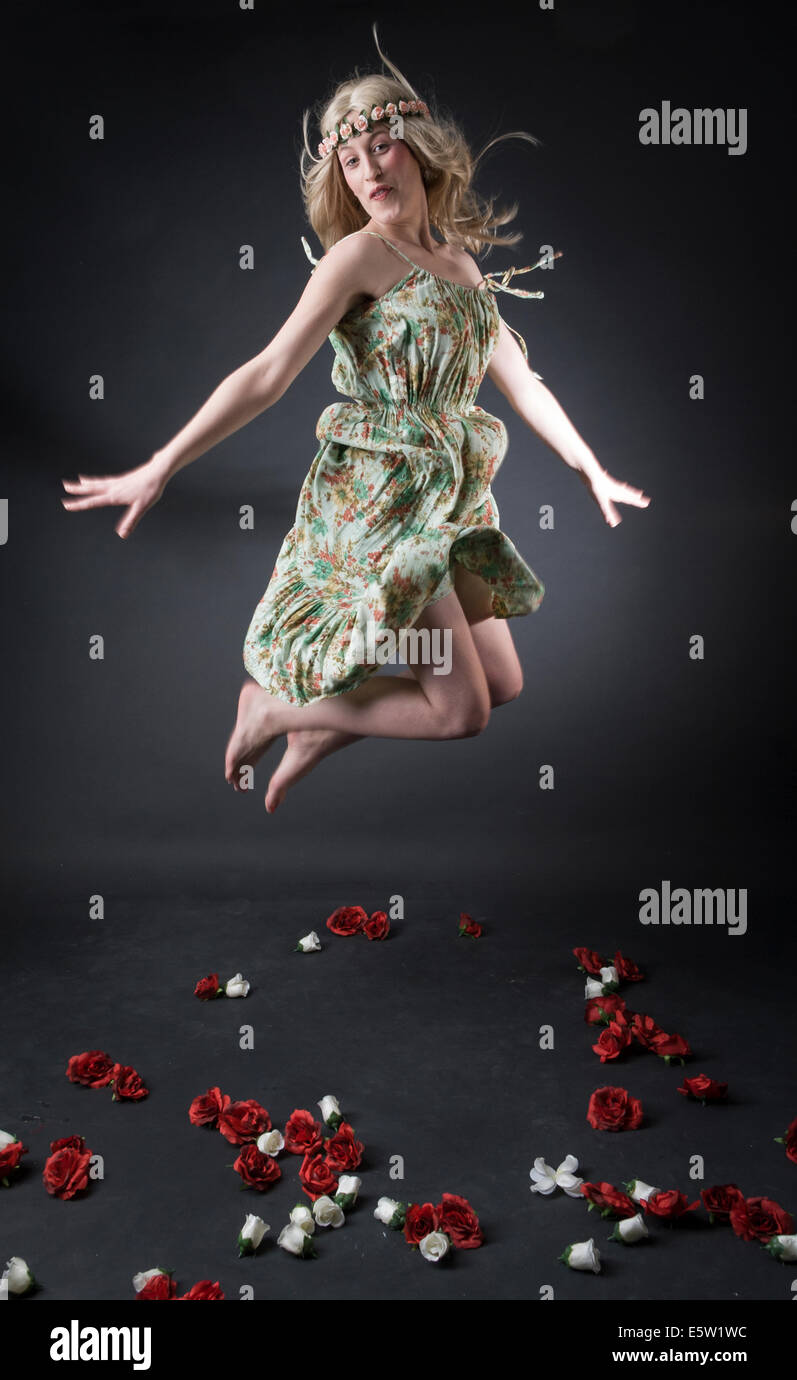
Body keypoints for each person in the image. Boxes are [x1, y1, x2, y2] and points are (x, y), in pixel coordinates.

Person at [61, 25, 650, 813]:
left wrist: (589, 467)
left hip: (449, 500)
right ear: (342, 176)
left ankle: (315, 726)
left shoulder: (461, 265)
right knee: (460, 709)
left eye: (382, 144)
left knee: (501, 682)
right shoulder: (358, 258)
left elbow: (520, 379)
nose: (370, 166)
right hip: (386, 503)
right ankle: (273, 707)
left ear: (417, 148)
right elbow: (268, 374)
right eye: (351, 157)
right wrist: (161, 463)